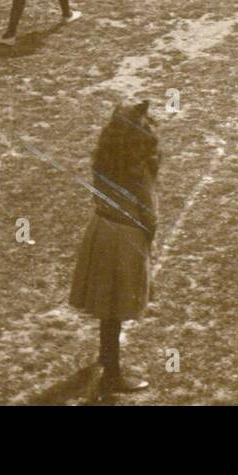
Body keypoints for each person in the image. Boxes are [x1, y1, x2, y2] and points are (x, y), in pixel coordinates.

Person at [70, 100, 160, 398]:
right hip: (126, 238)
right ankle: (112, 375)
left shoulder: (102, 160)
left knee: (106, 305)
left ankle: (105, 357)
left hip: (100, 230)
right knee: (116, 308)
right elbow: (149, 213)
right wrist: (148, 242)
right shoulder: (138, 169)